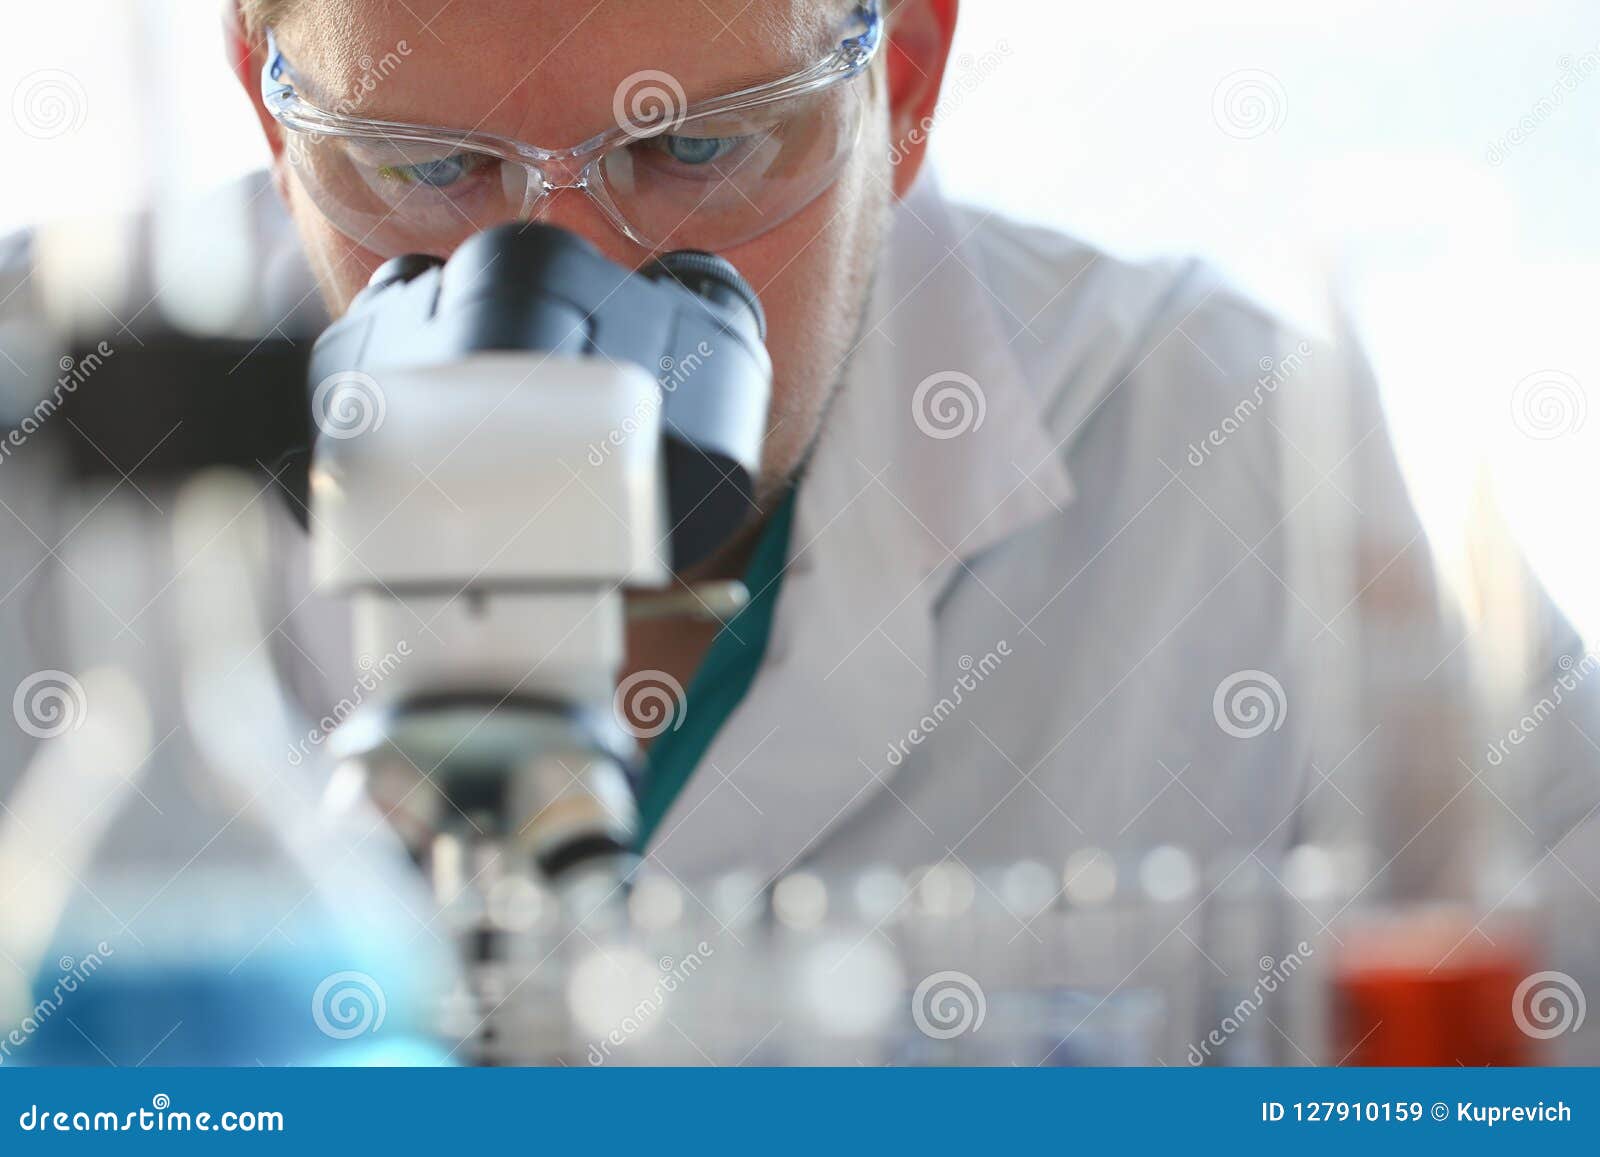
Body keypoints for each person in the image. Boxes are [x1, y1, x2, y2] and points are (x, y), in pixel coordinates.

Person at [5, 0, 1597, 909]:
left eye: (693, 147)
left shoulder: (1233, 458)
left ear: (900, 80)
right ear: (272, 120)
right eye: (425, 168)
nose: (568, 285)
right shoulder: (50, 426)